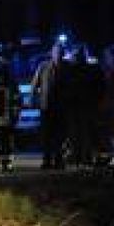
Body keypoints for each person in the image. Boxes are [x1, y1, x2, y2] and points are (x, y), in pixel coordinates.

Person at [31, 41, 68, 169]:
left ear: (63, 54)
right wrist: (33, 99)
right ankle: (46, 160)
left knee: (59, 135)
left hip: (61, 107)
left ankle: (58, 159)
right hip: (46, 106)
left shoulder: (67, 67)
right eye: (56, 52)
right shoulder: (43, 66)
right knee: (46, 134)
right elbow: (34, 84)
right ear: (52, 53)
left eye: (60, 52)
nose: (58, 54)